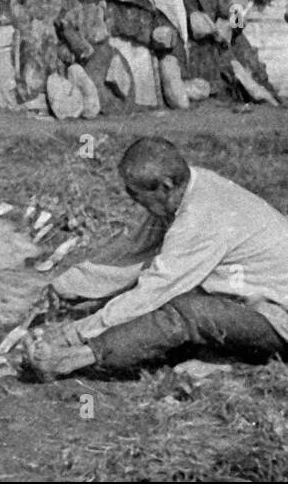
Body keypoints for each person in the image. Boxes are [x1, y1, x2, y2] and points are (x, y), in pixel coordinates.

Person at [28, 136, 288, 378]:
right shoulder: (184, 189)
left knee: (185, 311)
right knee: (180, 298)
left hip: (279, 319)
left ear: (165, 186)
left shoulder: (201, 217)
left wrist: (74, 334)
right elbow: (136, 253)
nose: (133, 201)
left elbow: (154, 291)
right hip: (251, 300)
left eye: (136, 195)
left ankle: (75, 358)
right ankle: (222, 355)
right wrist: (65, 287)